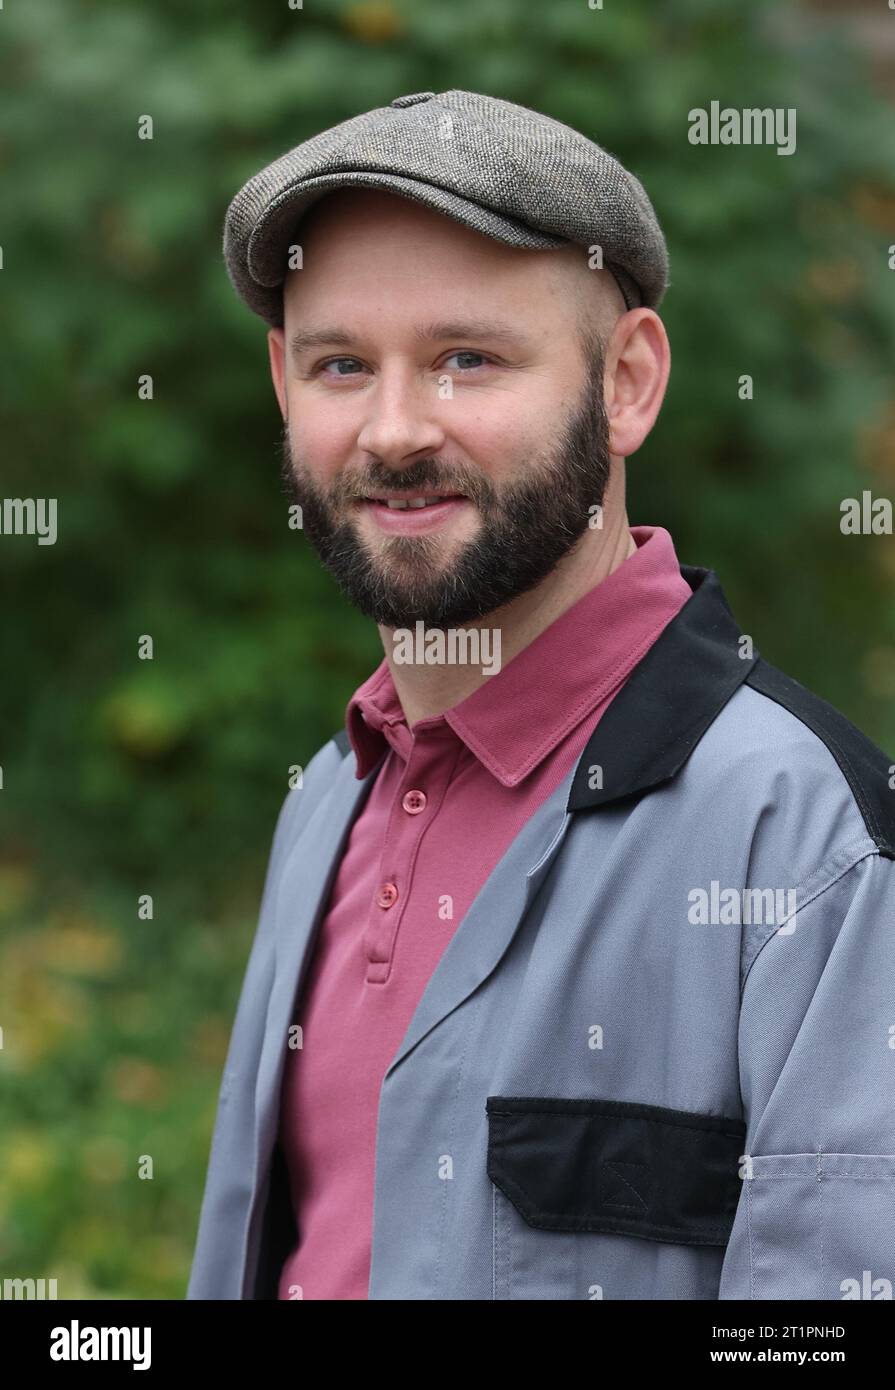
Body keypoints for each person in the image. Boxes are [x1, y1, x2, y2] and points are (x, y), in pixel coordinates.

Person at [188, 90, 895, 1301]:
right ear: (281, 383)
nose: (394, 429)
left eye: (468, 358)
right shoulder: (324, 801)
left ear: (626, 381)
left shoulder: (815, 848)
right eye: (342, 364)